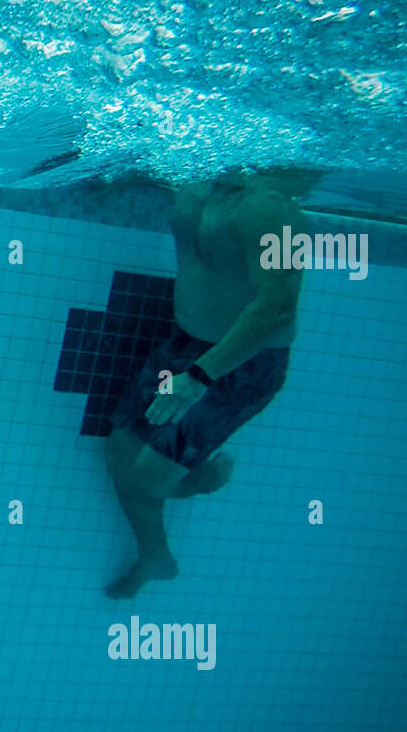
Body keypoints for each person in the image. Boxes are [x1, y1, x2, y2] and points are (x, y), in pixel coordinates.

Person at [104, 169, 307, 598]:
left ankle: (198, 480)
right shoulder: (197, 174)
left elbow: (279, 309)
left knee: (145, 481)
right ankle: (155, 555)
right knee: (121, 448)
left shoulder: (269, 207)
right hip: (183, 342)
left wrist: (199, 376)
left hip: (237, 364)